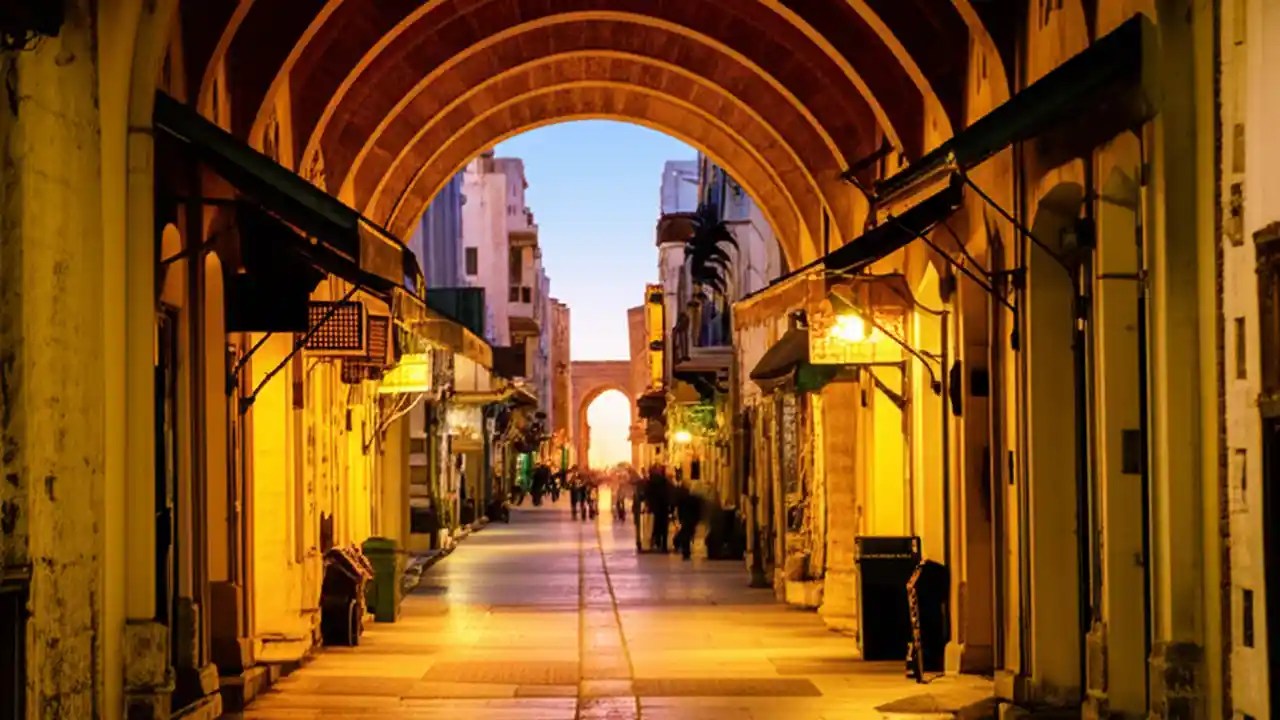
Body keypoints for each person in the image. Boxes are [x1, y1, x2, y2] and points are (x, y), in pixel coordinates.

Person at [647, 465, 671, 553]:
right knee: (664, 526)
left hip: (656, 507)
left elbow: (648, 494)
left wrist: (650, 504)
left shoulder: (651, 482)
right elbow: (668, 493)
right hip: (664, 506)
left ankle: (657, 542)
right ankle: (664, 545)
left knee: (656, 525)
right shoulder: (665, 481)